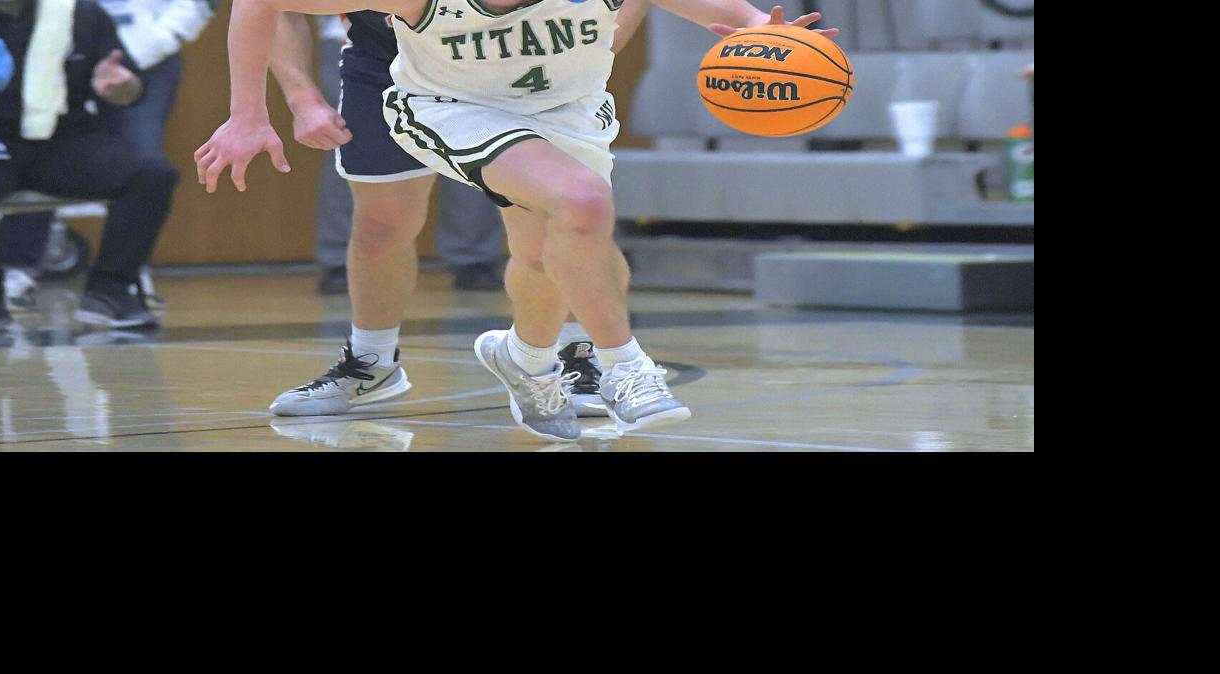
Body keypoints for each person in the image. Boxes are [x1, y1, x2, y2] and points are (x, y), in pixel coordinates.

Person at [199, 0, 835, 440]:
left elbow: (729, 14)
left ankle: (529, 357)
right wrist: (257, 109)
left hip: (558, 94)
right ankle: (623, 365)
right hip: (444, 93)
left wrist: (763, 32)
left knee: (547, 251)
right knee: (574, 204)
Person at [249, 3, 644, 419]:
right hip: (389, 58)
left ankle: (580, 353)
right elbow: (270, 6)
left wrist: (591, 47)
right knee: (380, 226)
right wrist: (300, 97)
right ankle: (372, 364)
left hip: (517, 55)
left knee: (562, 215)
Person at [0, 0, 180, 330]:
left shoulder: (78, 15)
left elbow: (132, 89)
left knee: (151, 173)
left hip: (58, 140)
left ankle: (110, 291)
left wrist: (120, 86)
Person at [0, 0, 214, 312]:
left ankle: (129, 275)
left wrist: (164, 36)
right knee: (41, 142)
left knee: (143, 164)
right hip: (57, 40)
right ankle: (19, 268)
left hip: (148, 52)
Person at [306, 13, 508, 295]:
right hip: (360, 36)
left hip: (466, 31)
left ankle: (475, 259)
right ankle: (339, 259)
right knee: (348, 145)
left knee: (477, 143)